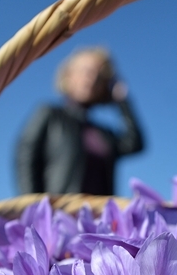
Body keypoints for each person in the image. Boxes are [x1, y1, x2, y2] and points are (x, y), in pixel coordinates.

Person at [16, 47, 145, 196]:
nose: (92, 78)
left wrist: (123, 102)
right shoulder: (50, 115)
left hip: (100, 215)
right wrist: (34, 206)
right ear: (68, 75)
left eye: (99, 75)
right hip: (58, 213)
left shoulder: (104, 133)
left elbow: (135, 143)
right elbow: (25, 156)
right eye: (86, 71)